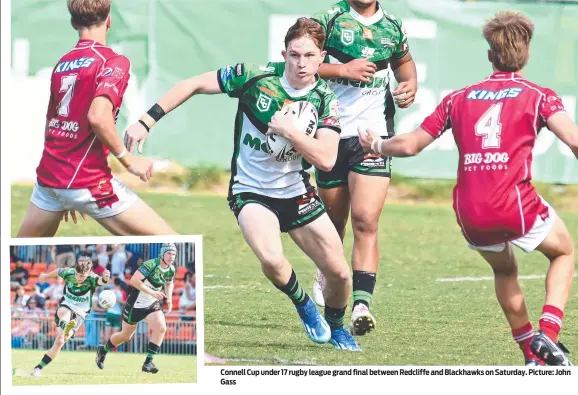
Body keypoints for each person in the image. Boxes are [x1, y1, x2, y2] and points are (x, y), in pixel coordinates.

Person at [124, 18, 359, 351]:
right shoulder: (256, 76)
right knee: (272, 259)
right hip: (251, 191)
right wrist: (147, 120)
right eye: (294, 55)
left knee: (340, 274)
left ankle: (336, 327)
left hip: (295, 191)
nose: (301, 63)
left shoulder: (325, 100)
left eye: (309, 55)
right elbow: (192, 84)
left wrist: (290, 131)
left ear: (322, 58)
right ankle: (304, 304)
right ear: (284, 53)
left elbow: (327, 158)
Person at [359, 11, 576, 366]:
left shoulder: (459, 98)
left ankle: (532, 357)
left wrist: (377, 145)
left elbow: (412, 145)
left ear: (490, 54)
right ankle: (547, 337)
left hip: (470, 210)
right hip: (514, 203)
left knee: (504, 270)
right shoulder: (539, 96)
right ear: (528, 53)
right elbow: (574, 140)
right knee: (564, 252)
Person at [15, 0, 176, 238]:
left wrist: (64, 193)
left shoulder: (63, 63)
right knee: (175, 247)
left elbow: (56, 124)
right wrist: (130, 162)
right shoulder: (113, 62)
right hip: (87, 182)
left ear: (73, 23)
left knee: (18, 263)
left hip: (50, 181)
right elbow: (98, 117)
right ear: (109, 19)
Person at [310, 0, 417, 336]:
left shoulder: (393, 26)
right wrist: (342, 69)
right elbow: (301, 66)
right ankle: (326, 269)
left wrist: (409, 85)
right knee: (333, 222)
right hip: (330, 133)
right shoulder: (328, 19)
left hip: (372, 136)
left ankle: (361, 304)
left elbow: (405, 64)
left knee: (366, 220)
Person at [96, 243, 177, 373]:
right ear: (162, 253)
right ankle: (103, 350)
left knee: (161, 328)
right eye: (168, 253)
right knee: (125, 336)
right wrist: (153, 292)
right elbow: (134, 281)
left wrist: (169, 299)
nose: (171, 256)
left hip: (151, 304)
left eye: (173, 254)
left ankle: (148, 363)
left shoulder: (171, 269)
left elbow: (169, 282)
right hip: (135, 305)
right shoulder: (150, 265)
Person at [31, 257, 110, 376]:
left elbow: (101, 281)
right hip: (67, 304)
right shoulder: (69, 272)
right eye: (78, 275)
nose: (79, 278)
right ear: (75, 270)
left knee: (60, 341)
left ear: (88, 273)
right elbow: (57, 271)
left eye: (82, 276)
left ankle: (39, 367)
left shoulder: (92, 278)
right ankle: (38, 369)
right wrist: (46, 276)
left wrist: (105, 278)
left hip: (80, 312)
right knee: (64, 312)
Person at [103, 278, 126, 343]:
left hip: (109, 313)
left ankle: (105, 348)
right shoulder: (122, 292)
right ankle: (113, 349)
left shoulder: (110, 291)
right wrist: (118, 301)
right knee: (115, 334)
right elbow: (125, 303)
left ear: (114, 283)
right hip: (117, 314)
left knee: (107, 332)